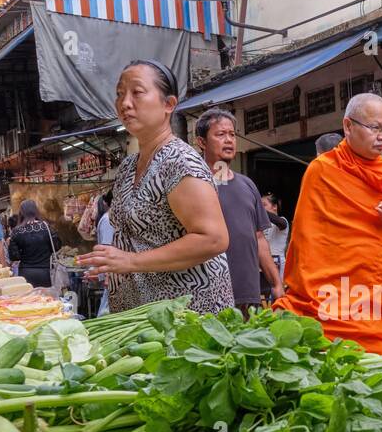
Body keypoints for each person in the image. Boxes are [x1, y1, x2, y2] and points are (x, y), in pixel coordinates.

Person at [273, 93, 382, 356]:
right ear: (348, 126)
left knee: (381, 362)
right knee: (336, 366)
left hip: (378, 290)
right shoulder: (322, 170)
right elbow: (307, 237)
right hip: (331, 293)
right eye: (375, 128)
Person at [77, 59, 232, 315]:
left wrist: (131, 261)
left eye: (137, 92)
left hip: (186, 319)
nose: (125, 103)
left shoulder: (180, 161)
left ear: (168, 104)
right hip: (143, 317)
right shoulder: (128, 166)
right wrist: (112, 262)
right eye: (119, 94)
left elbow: (213, 239)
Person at [194, 108, 284, 315]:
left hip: (248, 294)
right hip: (209, 295)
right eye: (220, 134)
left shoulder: (247, 184)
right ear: (201, 142)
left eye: (232, 134)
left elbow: (259, 238)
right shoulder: (195, 184)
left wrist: (276, 283)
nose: (228, 140)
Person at [8, 200, 57, 289]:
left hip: (25, 273)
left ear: (21, 212)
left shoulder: (16, 231)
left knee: (29, 300)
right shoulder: (46, 227)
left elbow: (14, 257)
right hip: (45, 273)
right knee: (46, 300)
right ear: (36, 210)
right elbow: (57, 246)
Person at [261, 191, 289, 285]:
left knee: (276, 291)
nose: (261, 208)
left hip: (277, 261)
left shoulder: (282, 221)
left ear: (275, 207)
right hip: (264, 261)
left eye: (264, 205)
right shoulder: (262, 225)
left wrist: (259, 210)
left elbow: (281, 223)